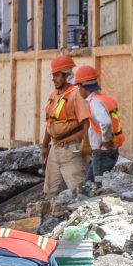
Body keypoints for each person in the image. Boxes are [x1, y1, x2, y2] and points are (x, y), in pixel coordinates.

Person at [41, 55, 89, 197]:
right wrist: (44, 146)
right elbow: (50, 122)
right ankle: (52, 218)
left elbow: (86, 121)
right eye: (53, 75)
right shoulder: (54, 95)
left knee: (78, 191)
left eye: (57, 75)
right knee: (50, 192)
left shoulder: (76, 95)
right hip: (55, 150)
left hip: (71, 149)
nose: (54, 79)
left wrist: (85, 144)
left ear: (68, 76)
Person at [73, 65, 124, 181]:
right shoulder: (106, 99)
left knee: (98, 188)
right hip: (107, 152)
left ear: (82, 86)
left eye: (78, 86)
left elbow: (106, 123)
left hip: (102, 154)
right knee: (88, 185)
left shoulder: (94, 102)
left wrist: (106, 140)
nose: (78, 90)